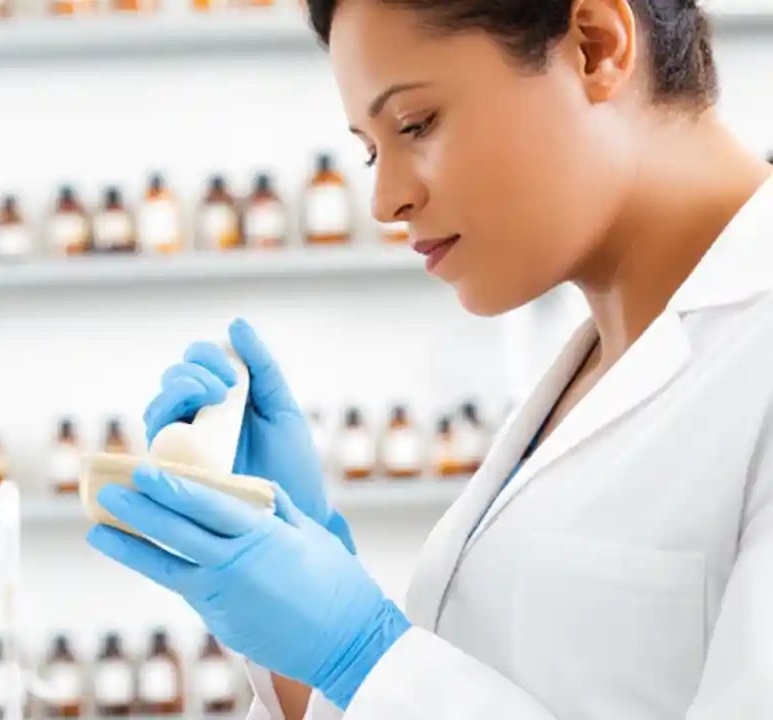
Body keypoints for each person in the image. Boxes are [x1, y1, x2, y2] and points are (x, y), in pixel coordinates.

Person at [86, 0, 773, 717]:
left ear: (594, 46)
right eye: (371, 150)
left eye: (416, 124)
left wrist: (360, 653)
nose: (385, 200)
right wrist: (306, 650)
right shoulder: (592, 370)